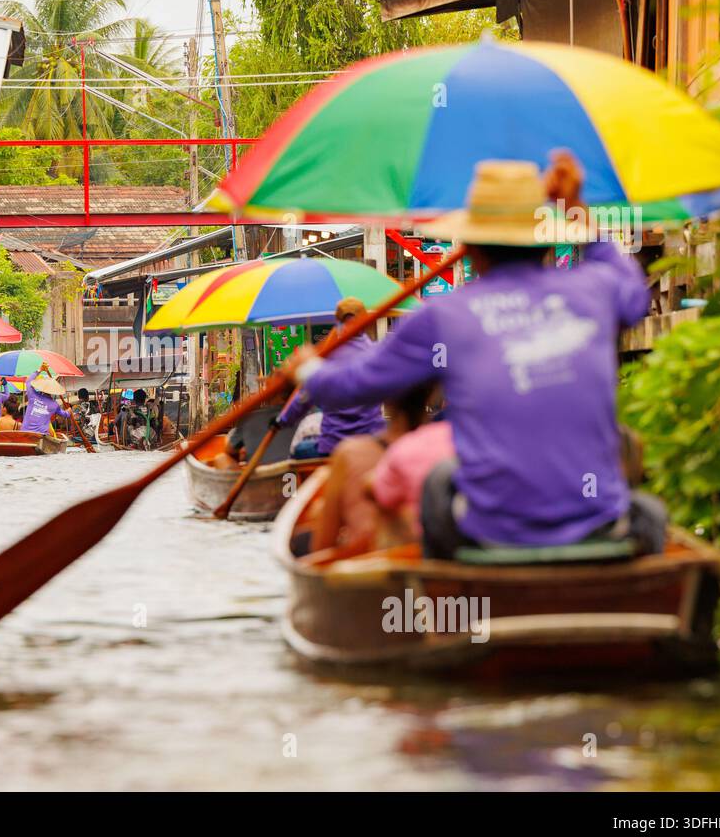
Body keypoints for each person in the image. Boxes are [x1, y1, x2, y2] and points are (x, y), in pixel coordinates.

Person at [283, 154, 667, 558]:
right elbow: (632, 291)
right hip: (600, 521)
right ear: (548, 241)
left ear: (470, 249)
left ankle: (435, 608)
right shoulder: (595, 289)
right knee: (647, 506)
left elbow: (347, 387)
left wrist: (307, 367)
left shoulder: (443, 316)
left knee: (438, 482)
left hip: (489, 533)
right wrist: (576, 208)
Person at [312, 382, 452, 553]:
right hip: (429, 565)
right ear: (431, 395)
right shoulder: (450, 444)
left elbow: (321, 549)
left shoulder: (349, 454)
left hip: (366, 567)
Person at [275, 297, 386, 459]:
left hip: (333, 445)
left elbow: (304, 398)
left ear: (338, 322)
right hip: (371, 440)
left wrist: (282, 421)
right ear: (365, 321)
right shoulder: (377, 353)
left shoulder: (328, 356)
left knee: (297, 450)